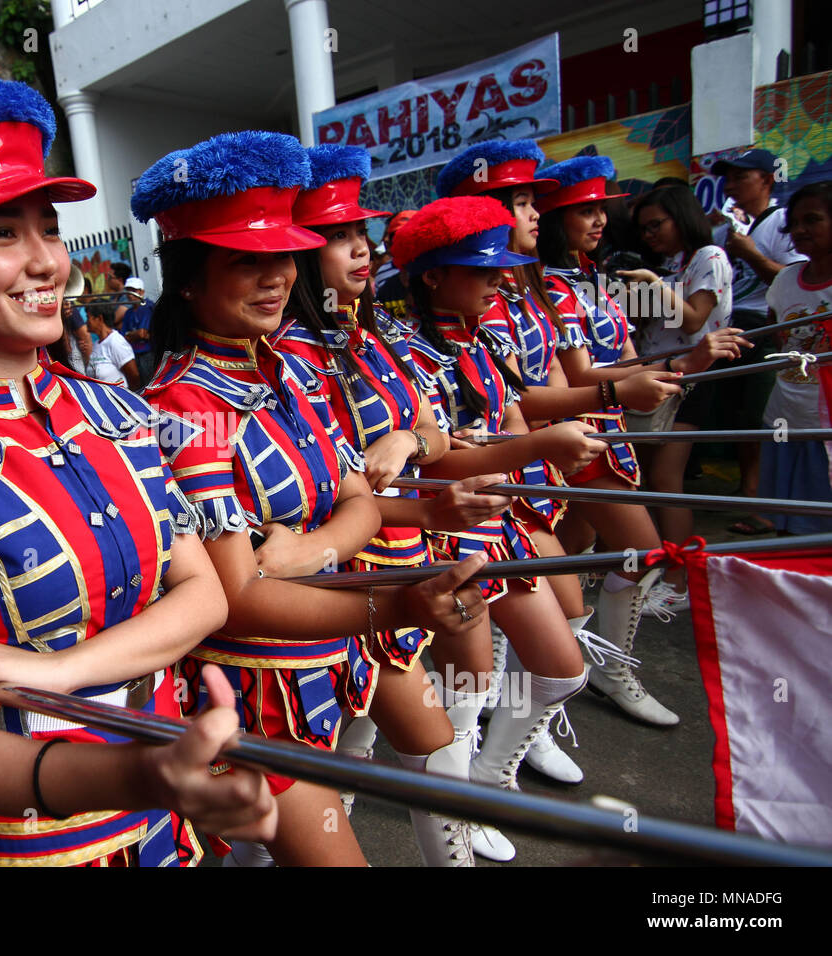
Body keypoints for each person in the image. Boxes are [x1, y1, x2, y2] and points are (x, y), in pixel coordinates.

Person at [0, 73, 277, 866]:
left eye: (50, 226)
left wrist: (64, 669)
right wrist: (141, 774)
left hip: (162, 808)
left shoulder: (115, 410)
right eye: (3, 233)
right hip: (24, 844)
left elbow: (202, 591)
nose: (47, 263)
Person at [133, 129, 489, 866]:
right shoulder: (183, 407)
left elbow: (358, 498)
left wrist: (316, 547)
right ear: (189, 280)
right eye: (245, 261)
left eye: (282, 257)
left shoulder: (289, 372)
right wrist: (391, 600)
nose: (275, 279)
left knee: (440, 753)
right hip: (258, 686)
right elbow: (240, 596)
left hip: (334, 641)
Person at [279, 144, 516, 865]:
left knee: (414, 733)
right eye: (339, 236)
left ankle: (469, 808)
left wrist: (413, 439)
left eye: (363, 233)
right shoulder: (285, 355)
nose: (361, 248)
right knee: (328, 762)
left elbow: (437, 430)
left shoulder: (375, 333)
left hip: (412, 555)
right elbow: (316, 490)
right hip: (341, 581)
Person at [435, 139, 676, 784]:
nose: (537, 213)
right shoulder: (446, 318)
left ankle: (504, 749)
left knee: (554, 625)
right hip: (475, 496)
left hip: (533, 474)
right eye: (520, 202)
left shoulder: (525, 292)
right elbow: (517, 403)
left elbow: (518, 397)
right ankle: (475, 765)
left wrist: (673, 368)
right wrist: (609, 395)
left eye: (535, 200)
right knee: (442, 670)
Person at [390, 195, 607, 862]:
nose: (499, 280)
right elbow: (441, 459)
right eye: (482, 270)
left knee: (561, 669)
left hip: (501, 521)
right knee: (464, 698)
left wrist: (567, 430)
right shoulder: (405, 351)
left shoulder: (481, 335)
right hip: (445, 532)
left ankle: (489, 779)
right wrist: (537, 449)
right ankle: (459, 819)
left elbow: (513, 417)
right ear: (432, 276)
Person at [534, 156, 745, 726]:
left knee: (569, 564)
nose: (598, 219)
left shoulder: (596, 279)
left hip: (610, 434)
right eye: (582, 210)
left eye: (601, 208)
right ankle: (594, 672)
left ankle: (557, 678)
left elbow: (629, 361)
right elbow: (579, 379)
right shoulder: (550, 286)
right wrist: (683, 359)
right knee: (640, 555)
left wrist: (684, 363)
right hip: (574, 439)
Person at [621, 185, 734, 595]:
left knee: (667, 479)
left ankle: (679, 582)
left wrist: (652, 282)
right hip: (661, 374)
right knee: (653, 478)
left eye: (657, 224)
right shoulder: (670, 262)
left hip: (695, 376)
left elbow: (692, 320)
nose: (650, 234)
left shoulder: (710, 257)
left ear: (682, 216)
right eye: (644, 229)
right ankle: (665, 575)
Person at [712, 148, 808, 534]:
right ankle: (753, 494)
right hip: (738, 328)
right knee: (744, 418)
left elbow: (795, 278)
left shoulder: (783, 222)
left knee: (762, 418)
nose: (731, 185)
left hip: (765, 330)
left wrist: (750, 254)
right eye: (729, 178)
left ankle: (763, 504)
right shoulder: (734, 227)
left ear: (767, 180)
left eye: (741, 176)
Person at [757, 180, 832, 533]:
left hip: (826, 427)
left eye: (812, 220)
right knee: (787, 524)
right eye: (795, 222)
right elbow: (778, 335)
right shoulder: (785, 280)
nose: (799, 230)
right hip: (785, 415)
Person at [85, 305, 139, 388]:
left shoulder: (116, 342)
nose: (86, 322)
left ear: (99, 318)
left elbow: (134, 376)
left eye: (88, 317)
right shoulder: (96, 344)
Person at [118, 277, 156, 384]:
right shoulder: (128, 312)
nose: (130, 294)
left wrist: (131, 335)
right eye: (128, 291)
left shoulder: (147, 306)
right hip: (134, 354)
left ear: (141, 292)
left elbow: (142, 333)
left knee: (150, 382)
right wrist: (134, 334)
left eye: (133, 291)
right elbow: (124, 337)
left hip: (148, 353)